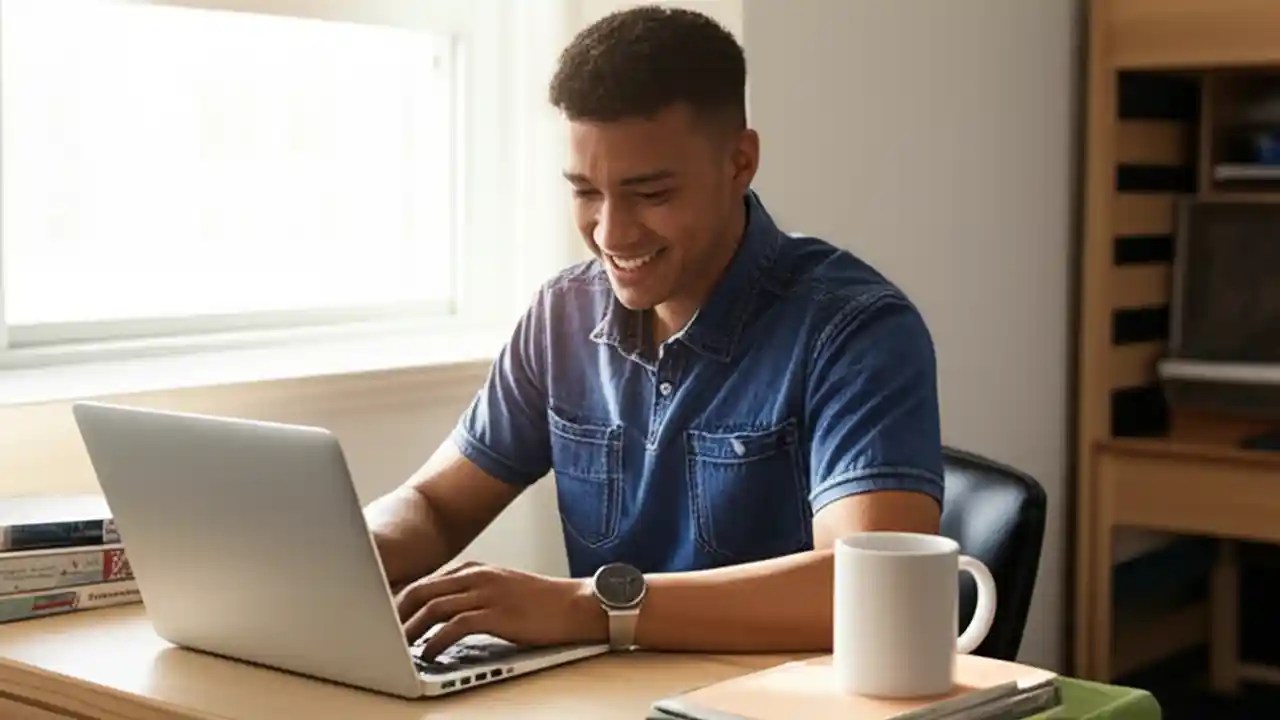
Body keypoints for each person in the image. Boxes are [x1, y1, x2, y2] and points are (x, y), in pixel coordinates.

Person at [364, 5, 943, 661]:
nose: (612, 234)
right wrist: (341, 558)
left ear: (740, 162)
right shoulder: (562, 316)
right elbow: (434, 506)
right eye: (586, 192)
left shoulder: (856, 331)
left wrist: (587, 607)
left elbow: (869, 588)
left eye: (651, 194)